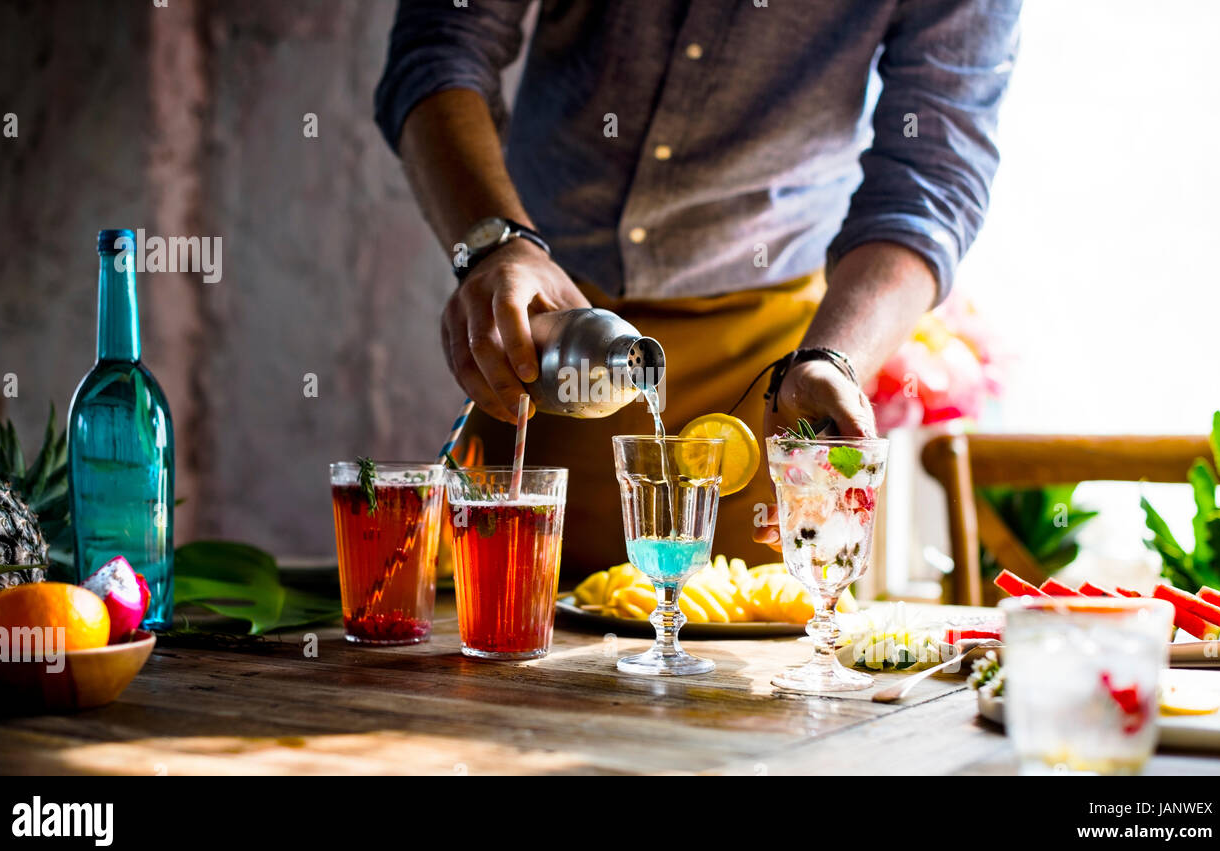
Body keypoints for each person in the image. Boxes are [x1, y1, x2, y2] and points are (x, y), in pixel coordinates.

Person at [376, 0, 1021, 577]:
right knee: (511, 649)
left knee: (756, 681)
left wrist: (831, 360)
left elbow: (930, 180)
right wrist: (494, 244)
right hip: (553, 343)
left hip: (774, 374)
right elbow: (441, 43)